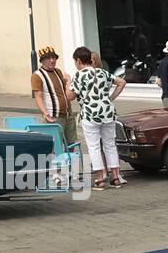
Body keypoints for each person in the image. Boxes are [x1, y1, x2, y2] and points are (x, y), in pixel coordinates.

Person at [67, 46, 127, 190]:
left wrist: (68, 83)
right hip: (108, 112)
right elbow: (121, 82)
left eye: (75, 61)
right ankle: (115, 177)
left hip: (90, 114)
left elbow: (69, 96)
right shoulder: (102, 72)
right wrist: (110, 98)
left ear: (79, 60)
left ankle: (100, 179)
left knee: (94, 146)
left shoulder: (79, 75)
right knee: (110, 144)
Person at [30, 46, 79, 147]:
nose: (52, 60)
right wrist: (45, 112)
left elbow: (64, 90)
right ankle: (57, 162)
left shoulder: (58, 71)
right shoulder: (37, 75)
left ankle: (68, 162)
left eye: (54, 58)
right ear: (42, 60)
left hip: (68, 114)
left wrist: (68, 81)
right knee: (55, 145)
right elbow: (38, 97)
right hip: (54, 116)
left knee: (71, 143)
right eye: (48, 58)